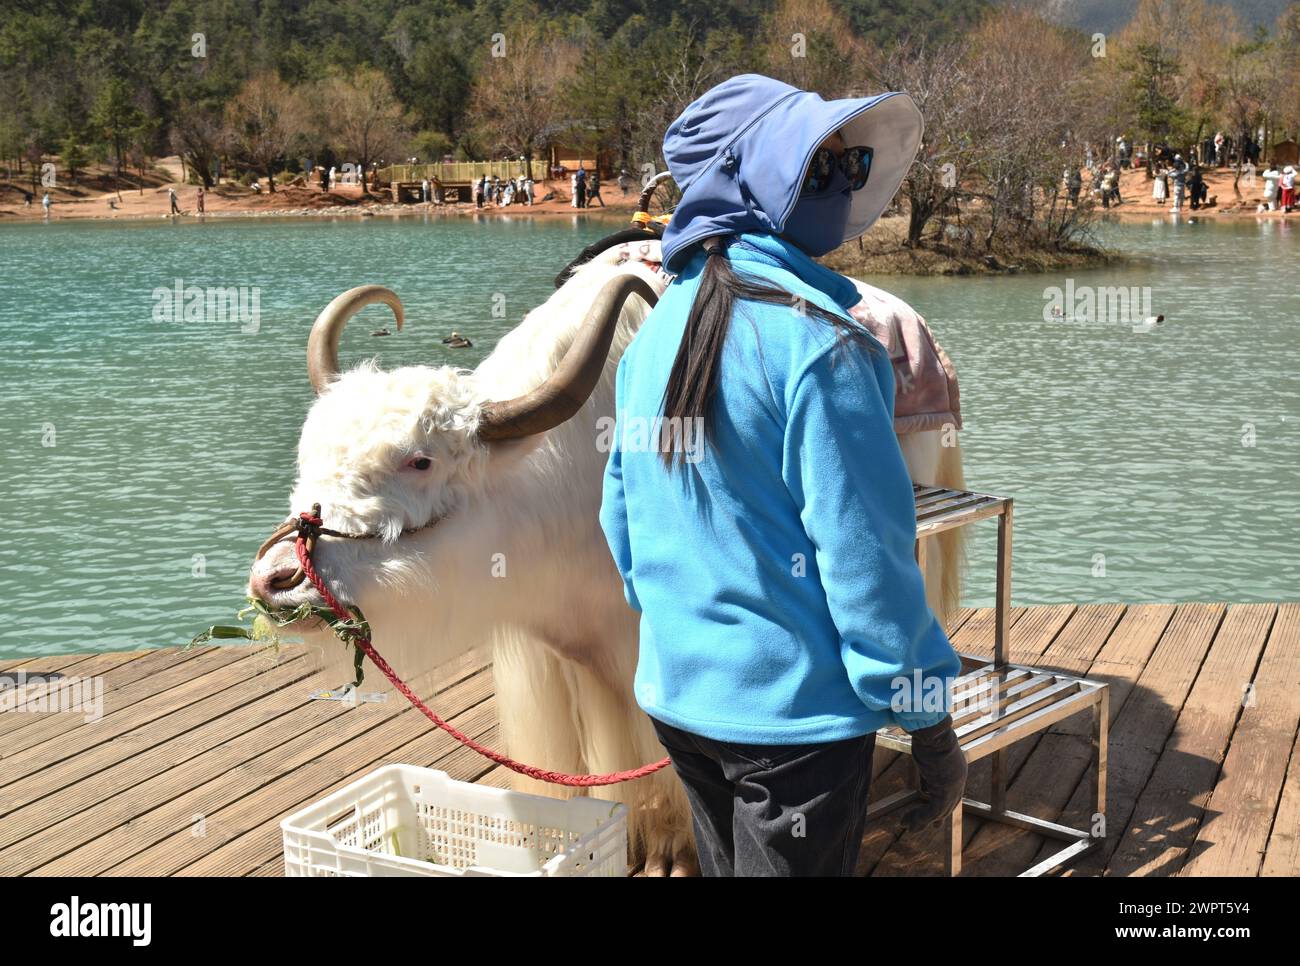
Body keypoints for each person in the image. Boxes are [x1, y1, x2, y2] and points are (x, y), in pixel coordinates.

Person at [599, 73, 966, 878]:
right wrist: (928, 721)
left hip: (682, 702)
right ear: (756, 181)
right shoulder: (823, 345)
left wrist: (694, 637)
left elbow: (624, 526)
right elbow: (867, 564)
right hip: (795, 734)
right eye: (824, 169)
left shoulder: (656, 331)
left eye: (849, 168)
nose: (845, 185)